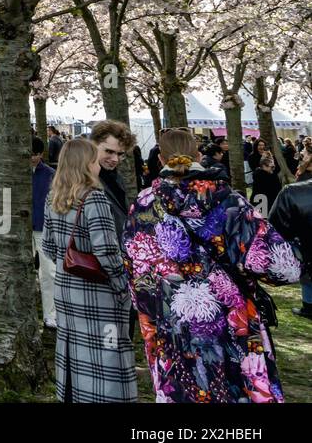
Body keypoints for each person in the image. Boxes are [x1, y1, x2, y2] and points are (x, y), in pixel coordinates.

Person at [124, 127, 301, 403]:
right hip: (231, 326)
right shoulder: (230, 203)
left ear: (161, 159)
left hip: (170, 329)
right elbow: (283, 266)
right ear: (197, 154)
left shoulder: (143, 206)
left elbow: (134, 272)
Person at [40, 138, 136, 403]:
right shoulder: (95, 199)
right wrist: (123, 288)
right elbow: (106, 251)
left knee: (75, 354)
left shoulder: (53, 197)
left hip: (66, 291)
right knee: (106, 357)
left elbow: (47, 246)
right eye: (95, 160)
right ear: (86, 164)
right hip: (99, 295)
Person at [270, 152, 312, 319]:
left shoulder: (292, 193)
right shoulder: (292, 193)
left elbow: (276, 230)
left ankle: (309, 307)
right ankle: (308, 307)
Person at [90, 119, 135, 240]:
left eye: (120, 154)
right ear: (92, 145)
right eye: (109, 151)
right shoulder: (82, 180)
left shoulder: (114, 176)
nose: (115, 159)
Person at [30, 135, 57, 329]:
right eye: (30, 154)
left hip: (42, 227)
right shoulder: (15, 172)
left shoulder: (50, 174)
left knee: (48, 272)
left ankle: (51, 315)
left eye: (36, 154)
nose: (33, 157)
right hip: (19, 228)